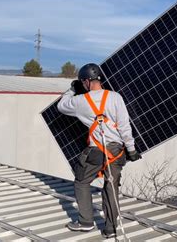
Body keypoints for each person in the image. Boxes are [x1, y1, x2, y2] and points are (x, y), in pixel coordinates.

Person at [57, 63, 142, 238]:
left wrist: (72, 90)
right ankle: (111, 228)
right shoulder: (115, 97)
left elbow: (61, 106)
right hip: (117, 151)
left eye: (82, 82)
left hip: (96, 151)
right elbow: (124, 125)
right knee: (111, 187)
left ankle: (86, 222)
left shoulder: (80, 101)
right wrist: (131, 149)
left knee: (81, 181)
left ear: (87, 81)